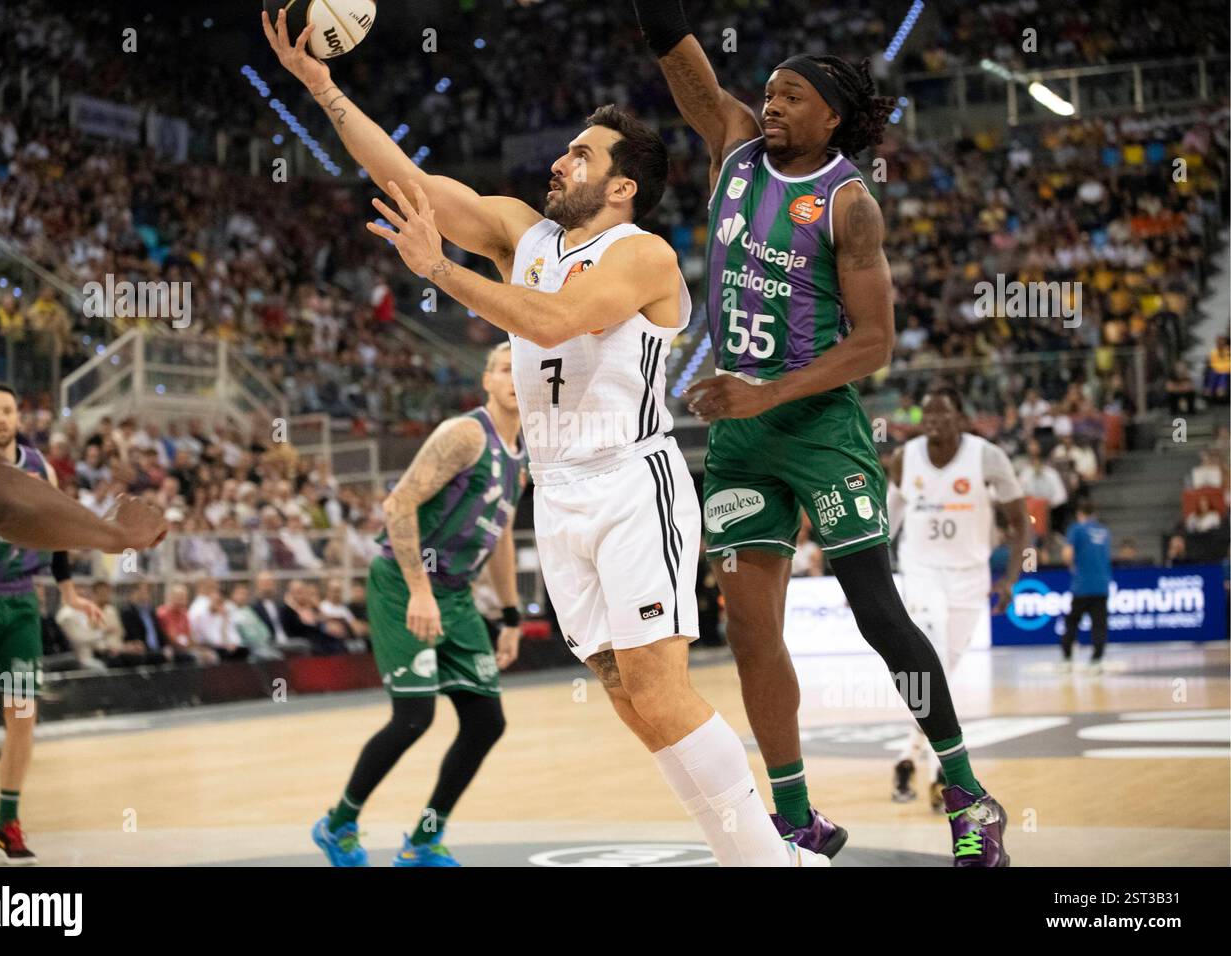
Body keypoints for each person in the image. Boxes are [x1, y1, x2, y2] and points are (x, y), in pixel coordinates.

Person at [264, 8, 823, 867]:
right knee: (627, 699)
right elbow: (409, 180)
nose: (561, 160)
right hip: (556, 490)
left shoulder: (645, 255)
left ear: (622, 185)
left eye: (581, 154)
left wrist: (440, 273)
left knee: (661, 693)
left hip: (633, 482)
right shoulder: (524, 236)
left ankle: (770, 859)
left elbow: (560, 323)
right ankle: (747, 854)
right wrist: (324, 87)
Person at [628, 0, 1008, 865]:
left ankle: (967, 793)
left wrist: (768, 395)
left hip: (816, 425)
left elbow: (872, 343)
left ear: (830, 116)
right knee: (751, 627)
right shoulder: (731, 145)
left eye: (792, 95)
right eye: (769, 89)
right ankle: (795, 813)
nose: (772, 103)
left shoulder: (849, 203)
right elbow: (672, 46)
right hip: (740, 436)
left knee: (877, 612)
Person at [0, 357, 166, 869]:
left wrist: (67, 589)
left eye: (6, 411)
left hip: (20, 600)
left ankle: (4, 822)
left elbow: (44, 532)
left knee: (21, 712)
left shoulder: (36, 468)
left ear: (17, 418)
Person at [311, 345, 526, 867]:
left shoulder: (525, 454)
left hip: (455, 593)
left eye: (524, 367)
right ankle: (337, 825)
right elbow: (397, 504)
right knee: (415, 716)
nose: (515, 376)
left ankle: (424, 839)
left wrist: (512, 616)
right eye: (504, 368)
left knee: (486, 722)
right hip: (403, 584)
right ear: (487, 381)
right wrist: (421, 592)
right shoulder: (465, 434)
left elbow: (500, 538)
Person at [887, 386, 1029, 808]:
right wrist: (866, 577)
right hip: (921, 571)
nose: (932, 420)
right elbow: (888, 518)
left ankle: (907, 756)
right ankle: (941, 776)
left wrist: (1012, 578)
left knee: (940, 674)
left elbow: (1021, 522)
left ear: (961, 420)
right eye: (926, 414)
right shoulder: (903, 458)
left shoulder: (987, 457)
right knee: (929, 664)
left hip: (970, 576)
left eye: (942, 414)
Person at [1060, 500, 1113, 674]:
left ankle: (1067, 659)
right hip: (1102, 585)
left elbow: (1067, 553)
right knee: (1099, 625)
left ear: (1079, 514)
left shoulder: (1077, 529)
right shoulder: (1104, 531)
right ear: (1094, 514)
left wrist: (1071, 565)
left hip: (1082, 585)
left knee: (1072, 622)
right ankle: (1096, 661)